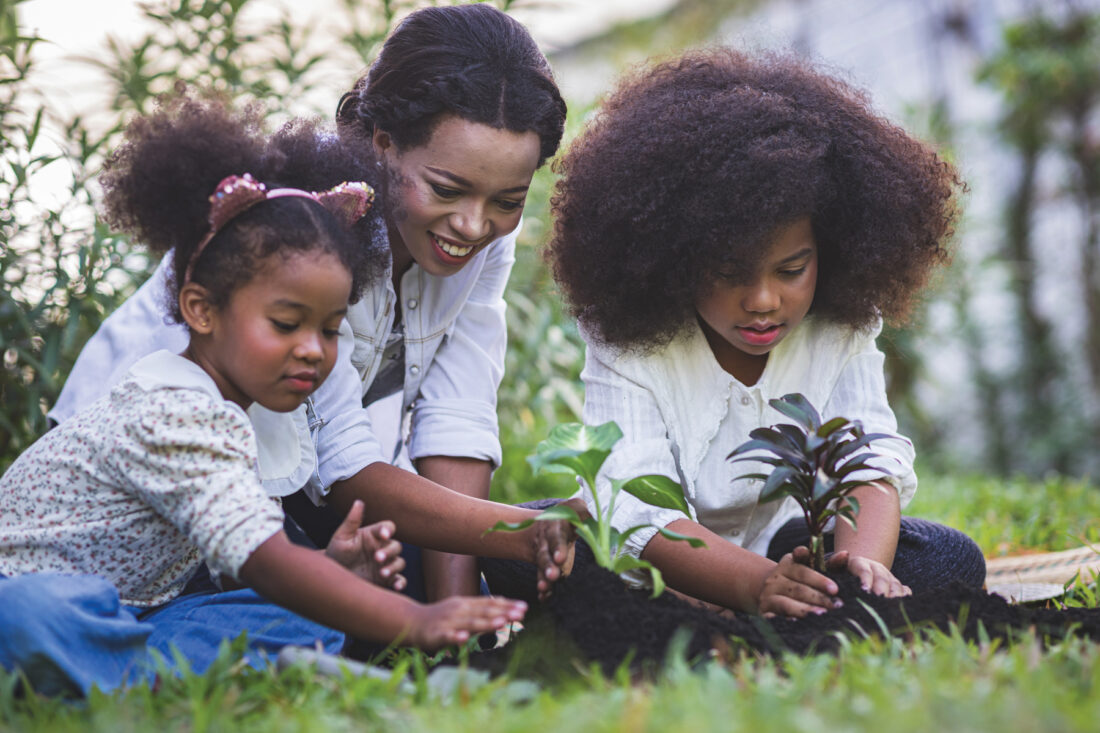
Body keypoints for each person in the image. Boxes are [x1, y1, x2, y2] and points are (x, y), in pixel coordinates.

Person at [0, 95, 531, 697]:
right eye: (286, 324)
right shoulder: (173, 412)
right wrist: (419, 619)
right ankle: (175, 676)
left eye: (331, 330)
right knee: (30, 617)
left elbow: (251, 562)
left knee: (293, 612)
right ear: (200, 310)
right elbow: (265, 559)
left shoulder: (237, 412)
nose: (313, 350)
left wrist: (332, 574)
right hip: (41, 599)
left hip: (143, 610)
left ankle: (166, 675)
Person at [47, 3, 573, 603]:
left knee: (446, 567)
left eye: (508, 199)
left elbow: (458, 412)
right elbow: (343, 468)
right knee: (329, 594)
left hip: (287, 478)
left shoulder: (475, 236)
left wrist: (461, 605)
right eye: (446, 189)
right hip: (156, 501)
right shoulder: (306, 227)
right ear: (383, 144)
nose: (475, 224)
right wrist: (516, 534)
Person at [529, 48, 985, 618]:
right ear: (672, 258)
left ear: (832, 249)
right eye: (728, 273)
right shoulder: (631, 340)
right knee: (540, 544)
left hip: (782, 546)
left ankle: (794, 603)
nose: (765, 301)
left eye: (792, 271)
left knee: (948, 557)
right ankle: (747, 606)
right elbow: (635, 507)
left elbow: (866, 459)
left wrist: (866, 567)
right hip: (660, 560)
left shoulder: (840, 322)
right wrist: (756, 584)